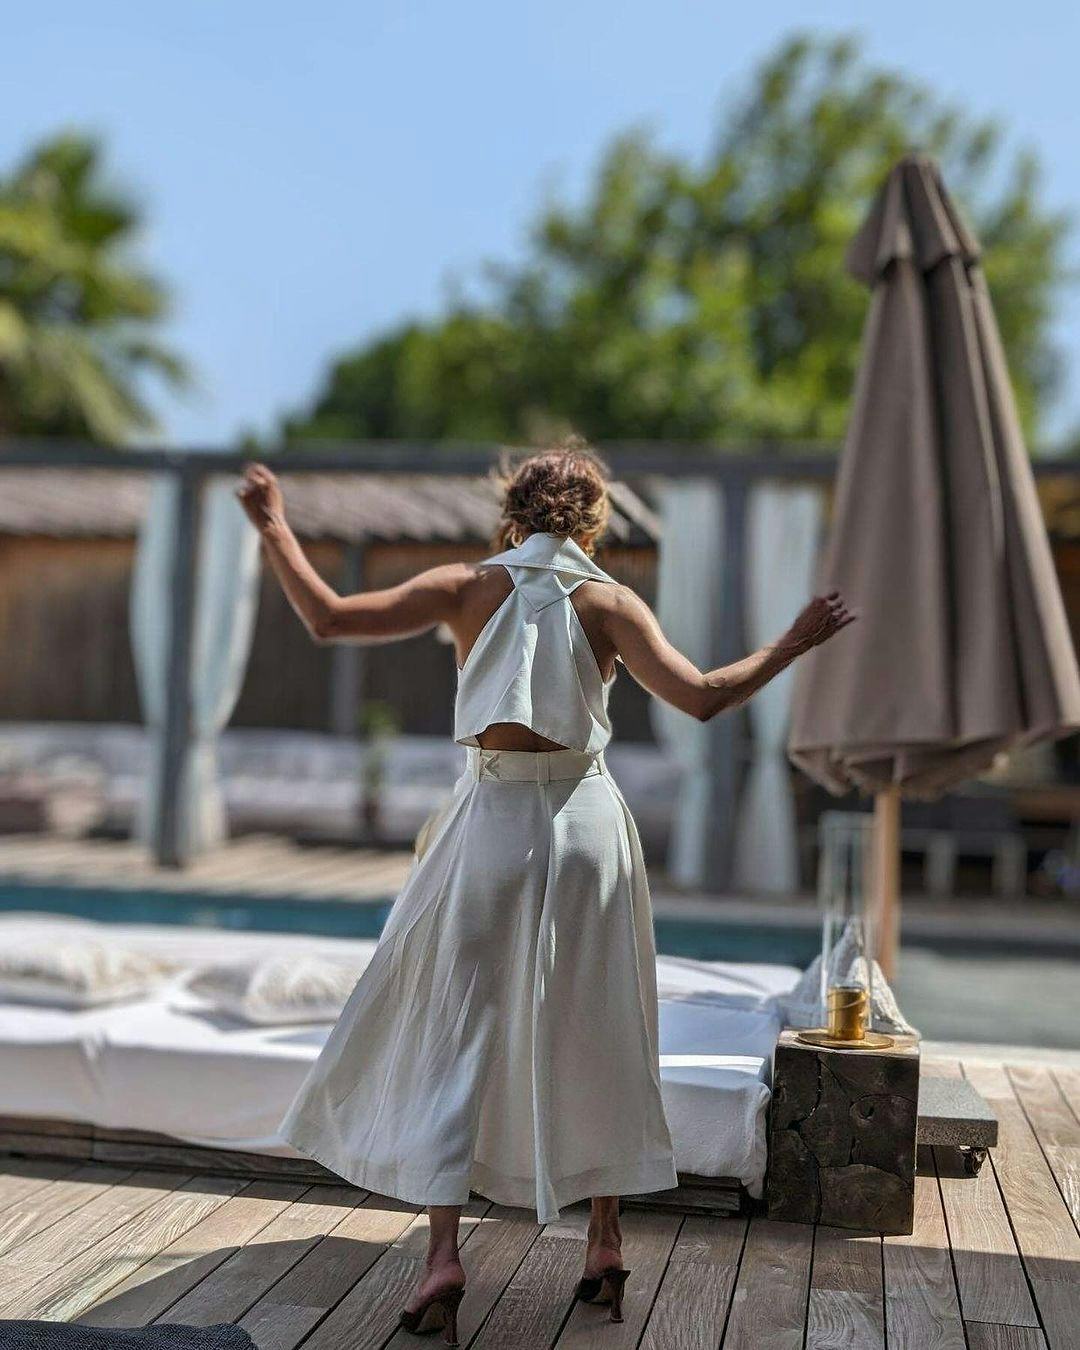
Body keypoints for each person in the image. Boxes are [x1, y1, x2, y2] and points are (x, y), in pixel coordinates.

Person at [237, 439, 853, 1345]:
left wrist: (275, 527)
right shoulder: (610, 601)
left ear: (510, 509)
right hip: (586, 829)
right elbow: (708, 697)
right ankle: (602, 1240)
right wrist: (793, 641)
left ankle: (444, 1257)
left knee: (458, 1027)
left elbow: (329, 619)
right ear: (595, 520)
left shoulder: (462, 585)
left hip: (490, 823)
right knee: (598, 1022)